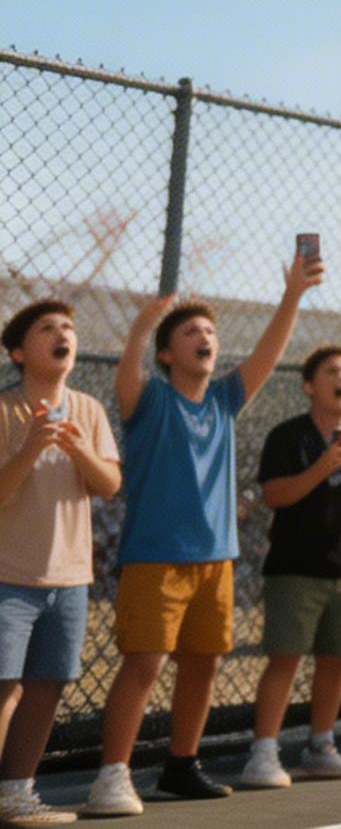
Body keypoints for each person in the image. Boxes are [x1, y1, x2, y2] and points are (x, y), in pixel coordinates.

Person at [85, 256, 322, 817]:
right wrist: (145, 325)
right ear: (168, 353)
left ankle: (180, 765)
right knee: (144, 665)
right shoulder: (149, 400)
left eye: (211, 332)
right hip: (156, 558)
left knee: (204, 663)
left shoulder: (223, 400)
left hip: (217, 558)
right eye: (192, 332)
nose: (205, 338)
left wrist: (293, 294)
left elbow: (268, 352)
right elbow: (128, 372)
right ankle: (110, 777)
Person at [0, 300, 121, 828]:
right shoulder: (5, 411)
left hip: (70, 578)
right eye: (48, 328)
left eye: (69, 327)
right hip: (8, 576)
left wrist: (77, 451)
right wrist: (29, 449)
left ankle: (15, 793)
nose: (62, 334)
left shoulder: (88, 410)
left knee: (47, 684)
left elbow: (109, 484)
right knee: (4, 684)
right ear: (20, 352)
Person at [245, 345, 341, 787]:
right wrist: (324, 466)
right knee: (284, 659)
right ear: (309, 385)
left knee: (336, 660)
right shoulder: (289, 436)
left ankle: (321, 744)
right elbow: (274, 495)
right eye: (332, 371)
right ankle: (263, 752)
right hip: (295, 569)